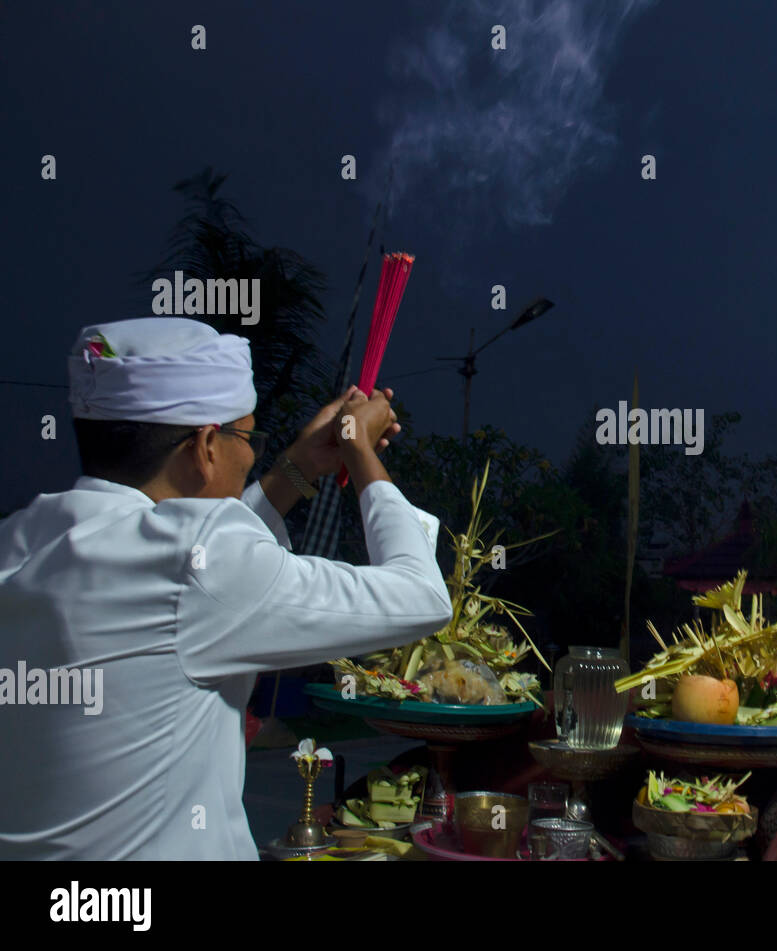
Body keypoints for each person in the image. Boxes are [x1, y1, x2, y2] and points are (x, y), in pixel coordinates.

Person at [0, 318, 452, 859]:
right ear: (207, 446)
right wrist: (361, 452)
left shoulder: (23, 538)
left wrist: (300, 466)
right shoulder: (198, 562)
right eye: (247, 437)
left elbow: (203, 574)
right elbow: (419, 595)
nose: (251, 456)